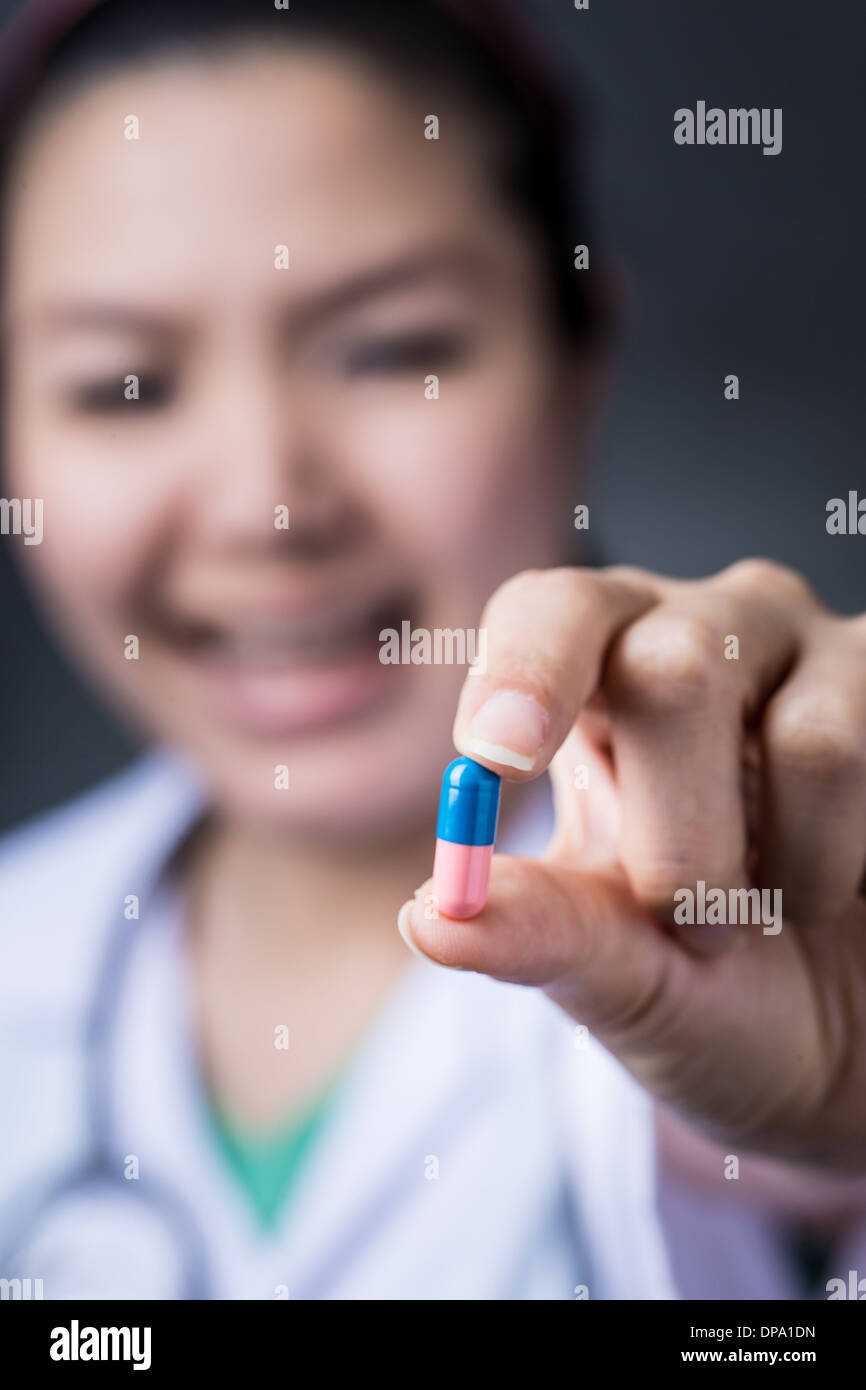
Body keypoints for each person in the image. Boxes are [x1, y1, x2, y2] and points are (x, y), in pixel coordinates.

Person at [1, 0, 865, 1301]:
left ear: (580, 357)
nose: (268, 505)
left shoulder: (777, 918)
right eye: (123, 384)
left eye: (392, 349)